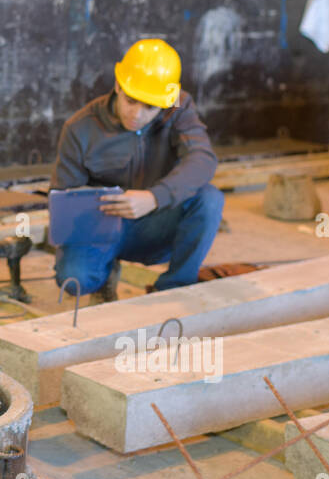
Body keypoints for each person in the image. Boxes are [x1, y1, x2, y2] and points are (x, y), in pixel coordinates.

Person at [50, 38, 223, 302]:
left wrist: (154, 198)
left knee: (209, 199)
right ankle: (104, 273)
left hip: (156, 222)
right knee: (75, 279)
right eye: (131, 101)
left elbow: (203, 158)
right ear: (118, 85)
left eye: (149, 107)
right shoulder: (80, 128)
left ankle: (172, 289)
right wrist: (85, 237)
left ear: (166, 101)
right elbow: (63, 199)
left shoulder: (177, 107)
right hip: (103, 229)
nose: (137, 114)